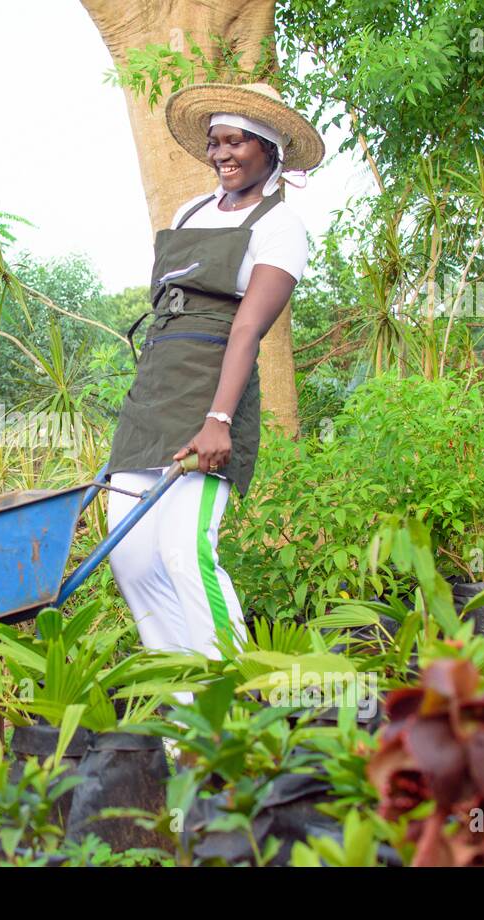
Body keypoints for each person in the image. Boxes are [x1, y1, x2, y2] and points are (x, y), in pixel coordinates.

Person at [106, 81, 325, 667]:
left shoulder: (282, 227)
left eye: (237, 143)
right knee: (129, 555)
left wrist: (219, 420)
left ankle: (234, 699)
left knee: (183, 552)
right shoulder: (191, 212)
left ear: (270, 152)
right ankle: (183, 702)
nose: (223, 154)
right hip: (154, 390)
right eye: (215, 143)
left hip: (211, 392)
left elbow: (248, 330)